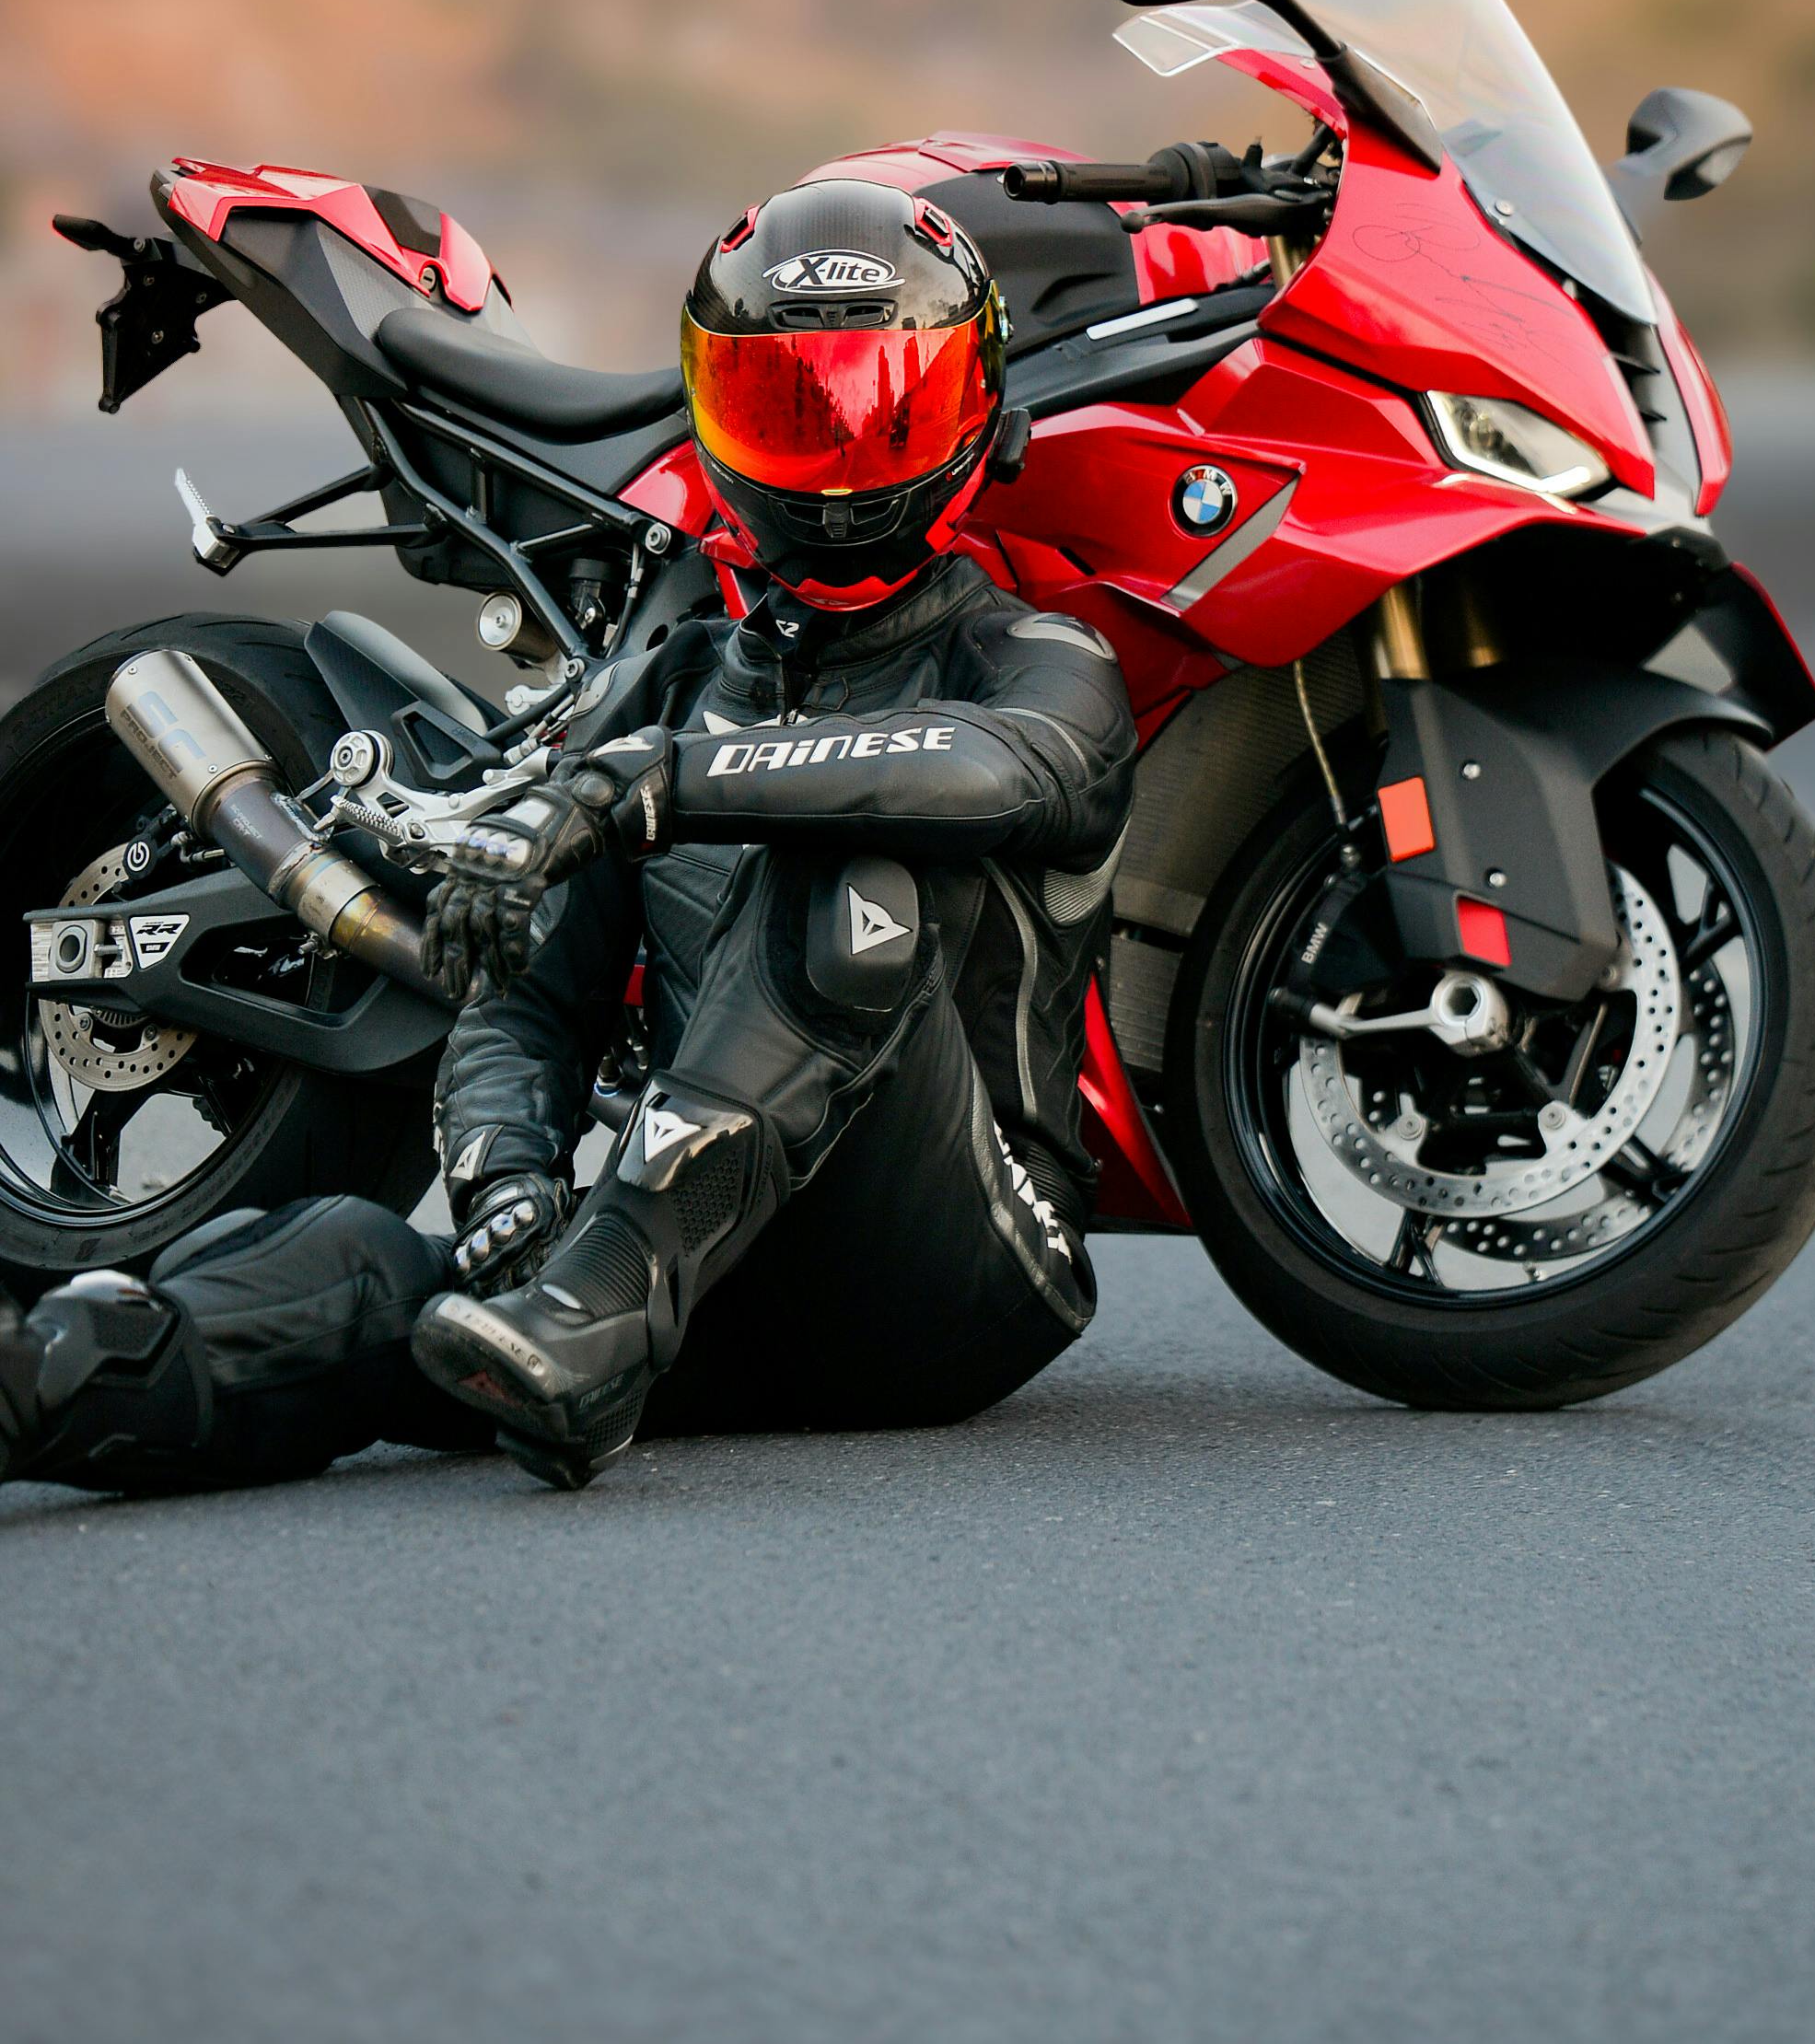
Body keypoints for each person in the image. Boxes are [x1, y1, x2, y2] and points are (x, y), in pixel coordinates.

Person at [0, 179, 1134, 1498]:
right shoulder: (658, 686)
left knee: (848, 861)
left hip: (962, 1271)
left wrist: (638, 785)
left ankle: (598, 1296)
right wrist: (504, 1181)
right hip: (690, 1293)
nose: (835, 467)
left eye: (884, 410)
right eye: (787, 411)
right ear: (713, 428)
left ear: (982, 419)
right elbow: (523, 999)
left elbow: (991, 773)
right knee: (348, 1270)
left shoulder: (1038, 661)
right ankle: (48, 1387)